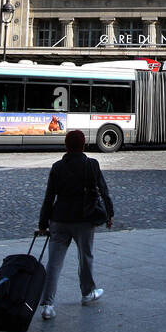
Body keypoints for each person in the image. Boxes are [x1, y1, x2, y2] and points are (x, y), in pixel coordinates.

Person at [38, 130, 114, 320]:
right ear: (84, 145)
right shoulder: (91, 164)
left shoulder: (57, 167)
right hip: (84, 218)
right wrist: (109, 214)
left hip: (59, 219)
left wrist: (42, 224)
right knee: (85, 257)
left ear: (66, 145)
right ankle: (87, 293)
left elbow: (49, 198)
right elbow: (103, 190)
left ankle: (47, 304)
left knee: (54, 264)